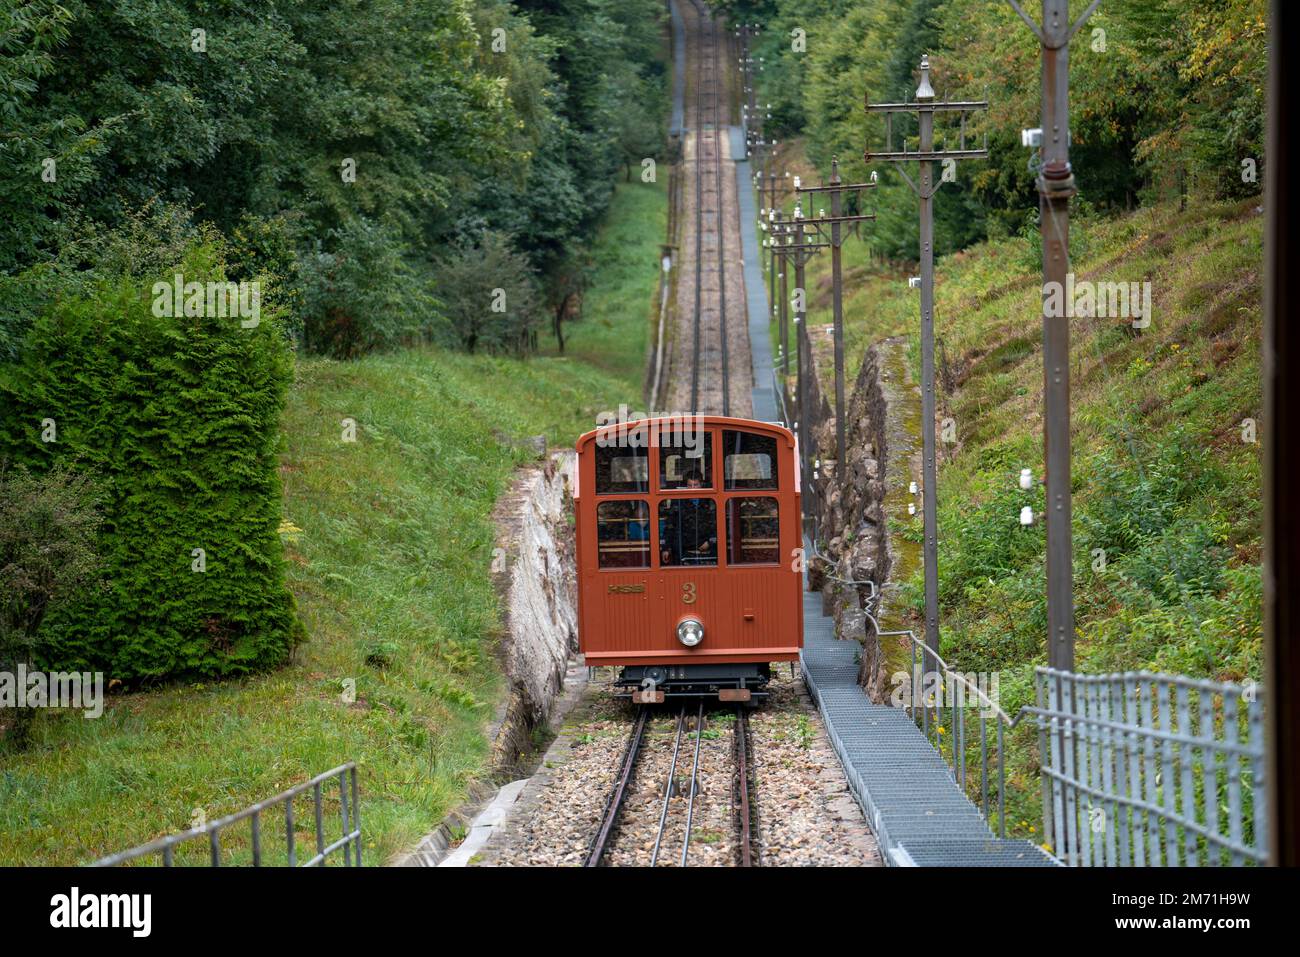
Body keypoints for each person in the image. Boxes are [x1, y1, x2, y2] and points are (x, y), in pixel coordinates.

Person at [659, 469, 716, 565]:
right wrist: (666, 548)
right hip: (684, 551)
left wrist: (710, 542)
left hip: (708, 552)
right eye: (690, 485)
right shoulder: (678, 502)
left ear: (701, 485)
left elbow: (719, 524)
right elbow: (670, 526)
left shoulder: (711, 501)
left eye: (696, 485)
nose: (692, 488)